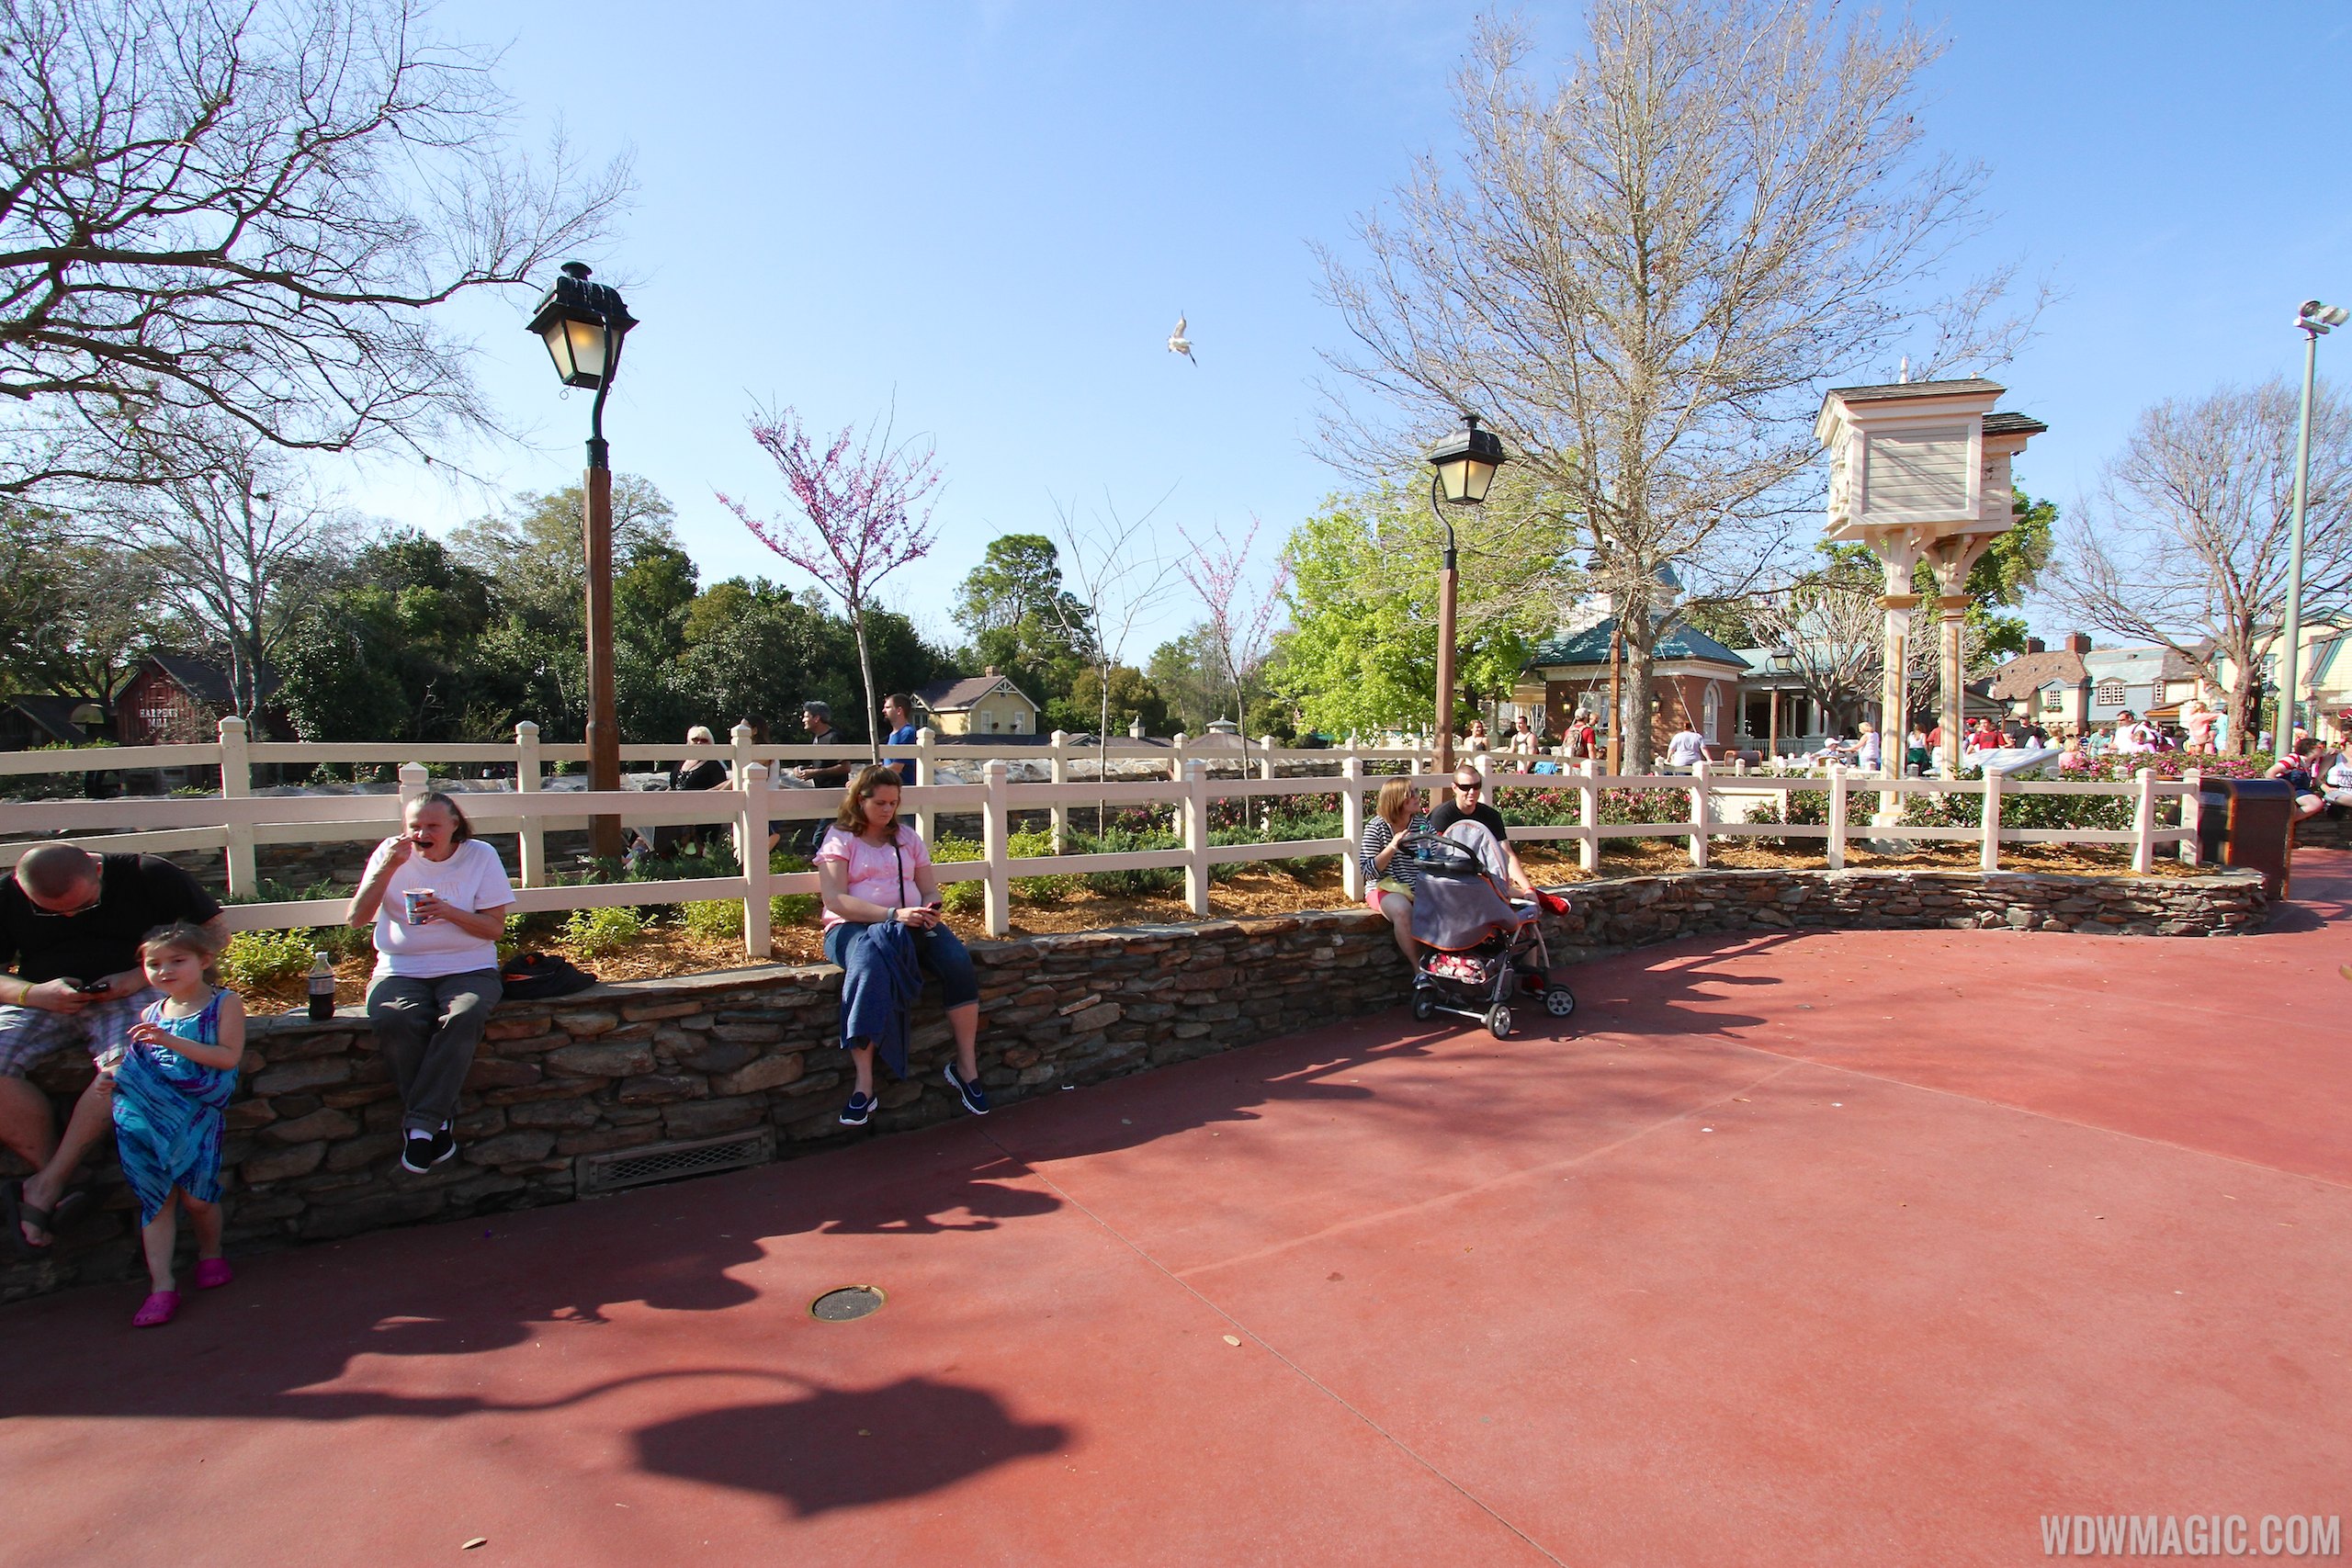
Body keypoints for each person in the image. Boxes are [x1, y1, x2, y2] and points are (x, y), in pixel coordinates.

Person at [0, 842, 225, 1254]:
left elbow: (214, 934)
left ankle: (47, 1185)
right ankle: (57, 1176)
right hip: (45, 997)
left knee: (124, 1069)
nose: (68, 917)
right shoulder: (6, 894)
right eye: (51, 912)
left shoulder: (149, 873)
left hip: (128, 992)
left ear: (95, 870)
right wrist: (33, 993)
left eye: (81, 907)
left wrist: (141, 978)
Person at [350, 793, 514, 1174]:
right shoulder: (390, 855)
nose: (422, 833)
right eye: (415, 826)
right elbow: (357, 918)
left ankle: (420, 1126)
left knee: (465, 1013)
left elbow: (494, 929)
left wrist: (447, 911)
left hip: (469, 966)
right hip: (400, 968)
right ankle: (435, 1123)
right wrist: (387, 869)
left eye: (432, 826)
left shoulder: (480, 855)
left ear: (454, 824)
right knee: (395, 1019)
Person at [816, 765, 988, 1128]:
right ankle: (864, 1085)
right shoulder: (839, 838)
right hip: (852, 928)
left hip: (910, 923)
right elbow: (836, 900)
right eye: (880, 802)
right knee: (868, 967)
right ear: (859, 800)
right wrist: (892, 914)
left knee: (957, 962)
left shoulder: (907, 838)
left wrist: (931, 910)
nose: (887, 810)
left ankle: (966, 1068)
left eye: (893, 803)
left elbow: (929, 889)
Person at [112, 922, 243, 1328]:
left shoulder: (225, 1003)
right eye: (153, 964)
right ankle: (162, 1287)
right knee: (156, 1199)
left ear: (204, 961)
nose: (164, 970)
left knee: (197, 1199)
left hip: (198, 1114)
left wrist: (167, 1042)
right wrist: (115, 1077)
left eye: (176, 961)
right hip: (145, 1120)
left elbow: (226, 1058)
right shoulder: (151, 1013)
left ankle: (210, 1253)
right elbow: (143, 1066)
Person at [1426, 768, 1536, 897]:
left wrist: (1529, 889)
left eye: (1477, 786)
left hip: (1483, 878)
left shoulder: (1491, 815)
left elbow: (1507, 855)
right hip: (1450, 880)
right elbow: (1434, 857)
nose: (1472, 792)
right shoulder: (1441, 816)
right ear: (1454, 788)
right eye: (1465, 787)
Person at [1359, 780, 1430, 971]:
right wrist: (1392, 846)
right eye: (1411, 793)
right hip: (1384, 887)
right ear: (1397, 799)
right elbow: (1367, 871)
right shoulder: (1376, 827)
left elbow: (1437, 855)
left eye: (1417, 791)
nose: (1417, 796)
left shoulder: (1422, 825)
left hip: (1419, 887)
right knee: (1402, 911)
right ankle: (1419, 971)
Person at [790, 701, 855, 791]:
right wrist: (804, 770)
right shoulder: (817, 737)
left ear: (816, 718)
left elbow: (845, 767)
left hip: (835, 793)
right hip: (821, 792)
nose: (803, 720)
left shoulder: (834, 737)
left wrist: (815, 773)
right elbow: (823, 765)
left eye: (806, 717)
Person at [2268, 739, 2327, 821]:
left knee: (2316, 804)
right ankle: (2283, 823)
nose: (2323, 749)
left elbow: (2331, 755)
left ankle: (2288, 822)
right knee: (2307, 805)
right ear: (2311, 748)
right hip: (2286, 790)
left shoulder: (2312, 763)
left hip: (2299, 791)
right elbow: (2270, 773)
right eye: (2321, 747)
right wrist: (2278, 792)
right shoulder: (2293, 759)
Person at [880, 694, 922, 786]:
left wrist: (866, 779)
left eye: (887, 707)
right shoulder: (893, 735)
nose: (883, 711)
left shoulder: (907, 733)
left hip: (904, 791)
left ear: (899, 710)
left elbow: (896, 768)